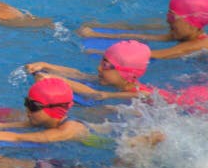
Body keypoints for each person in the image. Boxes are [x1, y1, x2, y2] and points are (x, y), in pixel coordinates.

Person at [27, 40, 208, 113]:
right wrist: (46, 65)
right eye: (102, 61)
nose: (99, 68)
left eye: (106, 65)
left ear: (127, 74)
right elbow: (80, 74)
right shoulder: (114, 81)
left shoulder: (140, 94)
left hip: (193, 105)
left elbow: (98, 95)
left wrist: (59, 82)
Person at [78, 0, 208, 59]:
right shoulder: (184, 33)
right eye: (168, 14)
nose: (167, 20)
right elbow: (144, 35)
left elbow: (157, 55)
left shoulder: (198, 45)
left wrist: (103, 53)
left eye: (173, 17)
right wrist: (98, 31)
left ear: (193, 22)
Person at [0, 78, 91, 143]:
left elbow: (18, 137)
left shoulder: (70, 128)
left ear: (54, 109)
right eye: (27, 103)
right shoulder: (42, 122)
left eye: (33, 106)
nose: (27, 109)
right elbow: (2, 126)